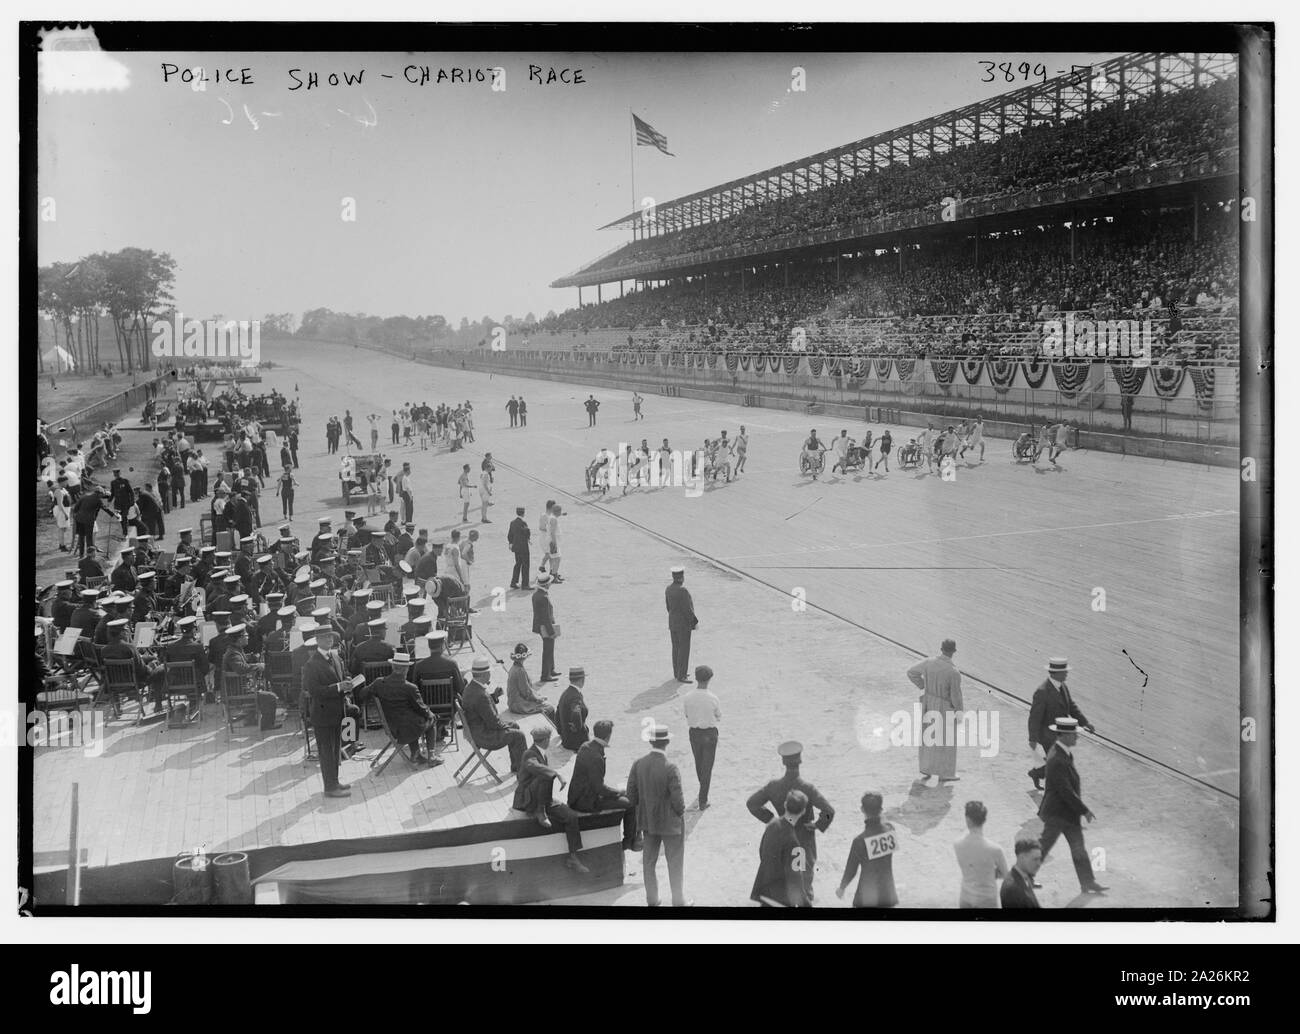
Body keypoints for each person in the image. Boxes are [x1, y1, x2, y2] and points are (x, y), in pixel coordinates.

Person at [746, 741, 835, 901]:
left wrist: (771, 818)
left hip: (781, 835)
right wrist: (817, 825)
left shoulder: (773, 786)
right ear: (799, 762)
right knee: (803, 878)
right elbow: (829, 811)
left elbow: (752, 803)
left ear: (783, 762)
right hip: (803, 840)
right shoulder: (808, 788)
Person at [1038, 717, 1108, 894]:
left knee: (1078, 848)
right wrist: (1084, 810)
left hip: (1066, 813)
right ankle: (1023, 877)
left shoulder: (1063, 752)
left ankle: (1087, 883)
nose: (1077, 737)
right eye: (1074, 734)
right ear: (1065, 735)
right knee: (1043, 848)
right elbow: (1065, 791)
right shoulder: (1057, 758)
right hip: (1057, 813)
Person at [626, 724, 688, 907]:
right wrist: (679, 813)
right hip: (670, 824)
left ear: (651, 742)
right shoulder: (670, 767)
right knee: (675, 862)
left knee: (649, 862)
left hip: (648, 822)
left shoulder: (638, 764)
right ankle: (678, 900)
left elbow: (631, 796)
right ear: (667, 742)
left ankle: (652, 900)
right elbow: (679, 801)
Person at [513, 726, 589, 872]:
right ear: (546, 740)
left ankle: (573, 857)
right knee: (546, 775)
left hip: (542, 798)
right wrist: (556, 774)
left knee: (571, 816)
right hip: (527, 801)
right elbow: (534, 767)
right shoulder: (529, 754)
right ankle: (540, 813)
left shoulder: (540, 753)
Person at [301, 628, 361, 796]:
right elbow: (314, 691)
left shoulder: (335, 656)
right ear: (317, 640)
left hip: (336, 711)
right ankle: (330, 787)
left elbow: (341, 677)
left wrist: (346, 683)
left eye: (330, 636)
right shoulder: (311, 664)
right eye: (324, 637)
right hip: (322, 715)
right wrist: (338, 687)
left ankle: (334, 781)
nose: (328, 639)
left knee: (335, 750)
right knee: (326, 752)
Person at [359, 651, 442, 766]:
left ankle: (416, 754)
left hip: (392, 727)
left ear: (393, 666)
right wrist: (430, 713)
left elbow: (362, 694)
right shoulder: (410, 687)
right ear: (406, 669)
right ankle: (432, 756)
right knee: (431, 719)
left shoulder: (379, 683)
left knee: (412, 719)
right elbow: (422, 709)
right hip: (407, 730)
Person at [569, 719, 639, 852]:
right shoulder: (596, 757)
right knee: (630, 803)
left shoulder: (585, 746)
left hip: (576, 796)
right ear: (608, 736)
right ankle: (629, 841)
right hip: (587, 802)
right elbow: (599, 788)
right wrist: (619, 792)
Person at [1027, 658, 1093, 790]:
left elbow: (1071, 707)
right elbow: (1034, 718)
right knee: (1061, 760)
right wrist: (1033, 738)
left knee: (1059, 759)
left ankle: (1037, 773)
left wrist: (1084, 722)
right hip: (1047, 735)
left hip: (1061, 733)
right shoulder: (1042, 692)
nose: (1067, 674)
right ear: (1055, 673)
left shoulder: (1062, 686)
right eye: (1064, 672)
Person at [906, 638, 963, 784]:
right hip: (944, 707)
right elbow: (955, 695)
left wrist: (923, 685)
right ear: (953, 652)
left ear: (941, 649)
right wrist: (959, 711)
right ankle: (945, 773)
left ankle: (926, 768)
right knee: (946, 740)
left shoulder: (928, 662)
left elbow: (911, 672)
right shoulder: (953, 672)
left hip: (928, 702)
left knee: (928, 736)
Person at [461, 655, 526, 773]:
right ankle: (523, 772)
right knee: (519, 735)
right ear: (484, 675)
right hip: (484, 736)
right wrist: (506, 726)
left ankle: (517, 766)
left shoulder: (470, 688)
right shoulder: (481, 695)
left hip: (476, 730)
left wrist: (493, 697)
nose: (490, 675)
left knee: (514, 726)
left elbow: (480, 707)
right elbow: (494, 723)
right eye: (489, 673)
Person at [836, 791, 899, 907]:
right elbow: (884, 823)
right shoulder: (891, 830)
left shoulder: (860, 841)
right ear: (881, 809)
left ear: (862, 809)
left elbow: (851, 869)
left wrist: (842, 887)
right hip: (888, 894)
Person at [751, 789, 812, 908]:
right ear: (803, 811)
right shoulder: (793, 842)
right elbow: (796, 880)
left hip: (764, 891)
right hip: (781, 899)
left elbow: (761, 852)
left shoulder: (771, 825)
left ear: (785, 805)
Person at [954, 800, 1009, 908]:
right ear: (984, 820)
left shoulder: (957, 845)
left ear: (967, 819)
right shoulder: (995, 849)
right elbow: (1006, 876)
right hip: (987, 899)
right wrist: (990, 872)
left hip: (966, 897)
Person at [682, 664, 721, 810]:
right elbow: (718, 716)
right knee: (708, 766)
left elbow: (686, 714)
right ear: (709, 679)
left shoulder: (688, 697)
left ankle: (702, 790)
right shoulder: (713, 697)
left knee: (699, 763)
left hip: (694, 733)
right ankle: (703, 799)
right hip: (710, 733)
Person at [505, 644, 557, 723]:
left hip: (513, 702)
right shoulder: (520, 671)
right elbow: (526, 691)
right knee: (550, 708)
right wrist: (538, 699)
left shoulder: (514, 668)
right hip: (518, 704)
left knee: (543, 703)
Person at [665, 566, 698, 683]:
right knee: (684, 649)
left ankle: (677, 672)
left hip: (673, 623)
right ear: (681, 578)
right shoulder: (683, 591)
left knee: (676, 648)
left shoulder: (668, 588)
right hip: (683, 625)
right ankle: (682, 675)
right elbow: (687, 609)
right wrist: (694, 622)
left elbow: (668, 607)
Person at [1001, 838, 1044, 908]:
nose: (1039, 864)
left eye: (1040, 859)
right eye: (1035, 859)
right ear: (1022, 858)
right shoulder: (1012, 890)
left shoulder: (1023, 874)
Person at [532, 573, 559, 683]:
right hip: (545, 626)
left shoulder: (537, 594)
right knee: (548, 649)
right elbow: (546, 617)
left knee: (549, 648)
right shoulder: (543, 597)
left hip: (540, 625)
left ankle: (550, 670)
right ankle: (546, 674)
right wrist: (551, 631)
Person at [555, 665, 590, 750]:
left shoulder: (565, 693)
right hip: (575, 742)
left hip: (566, 738)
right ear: (582, 680)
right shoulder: (575, 696)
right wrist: (579, 729)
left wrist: (561, 732)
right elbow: (576, 713)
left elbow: (557, 714)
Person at [508, 507, 531, 590]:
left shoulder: (512, 523)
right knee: (525, 565)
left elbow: (510, 535)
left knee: (517, 564)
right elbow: (527, 533)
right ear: (523, 513)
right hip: (523, 547)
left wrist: (511, 543)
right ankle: (525, 584)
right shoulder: (523, 523)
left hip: (516, 547)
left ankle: (513, 582)